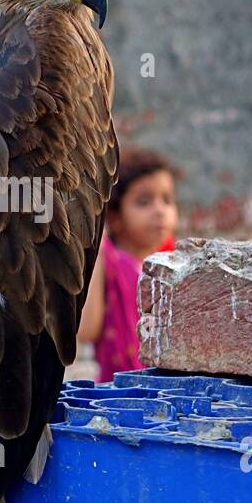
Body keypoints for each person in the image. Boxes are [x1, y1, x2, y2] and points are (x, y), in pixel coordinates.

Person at [77, 148, 179, 382]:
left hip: (165, 391)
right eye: (144, 202)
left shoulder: (173, 266)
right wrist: (97, 248)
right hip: (118, 395)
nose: (160, 211)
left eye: (167, 199)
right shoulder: (109, 262)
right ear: (115, 218)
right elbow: (86, 330)